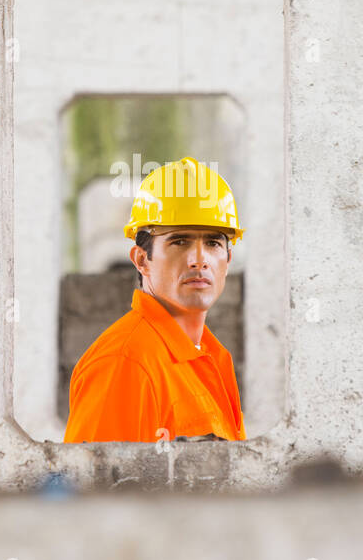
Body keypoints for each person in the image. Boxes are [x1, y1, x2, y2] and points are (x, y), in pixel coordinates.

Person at [63, 156, 246, 443]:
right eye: (179, 241)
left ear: (228, 259)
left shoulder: (210, 358)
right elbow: (94, 486)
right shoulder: (125, 364)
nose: (199, 260)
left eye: (212, 243)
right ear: (141, 259)